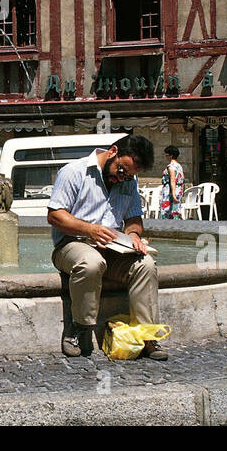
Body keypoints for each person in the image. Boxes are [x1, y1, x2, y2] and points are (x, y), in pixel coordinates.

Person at [46, 134, 167, 359]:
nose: (122, 178)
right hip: (72, 243)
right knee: (91, 262)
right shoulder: (73, 172)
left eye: (129, 175)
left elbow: (133, 219)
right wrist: (89, 230)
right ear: (112, 152)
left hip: (113, 247)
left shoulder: (129, 181)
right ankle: (79, 327)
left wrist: (134, 236)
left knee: (146, 264)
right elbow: (55, 216)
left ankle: (147, 335)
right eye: (121, 170)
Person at [160, 145, 184, 219]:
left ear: (171, 156)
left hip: (170, 190)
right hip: (178, 189)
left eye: (167, 155)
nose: (166, 157)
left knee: (167, 210)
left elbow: (172, 180)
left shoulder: (171, 166)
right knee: (176, 209)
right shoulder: (179, 166)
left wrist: (173, 194)